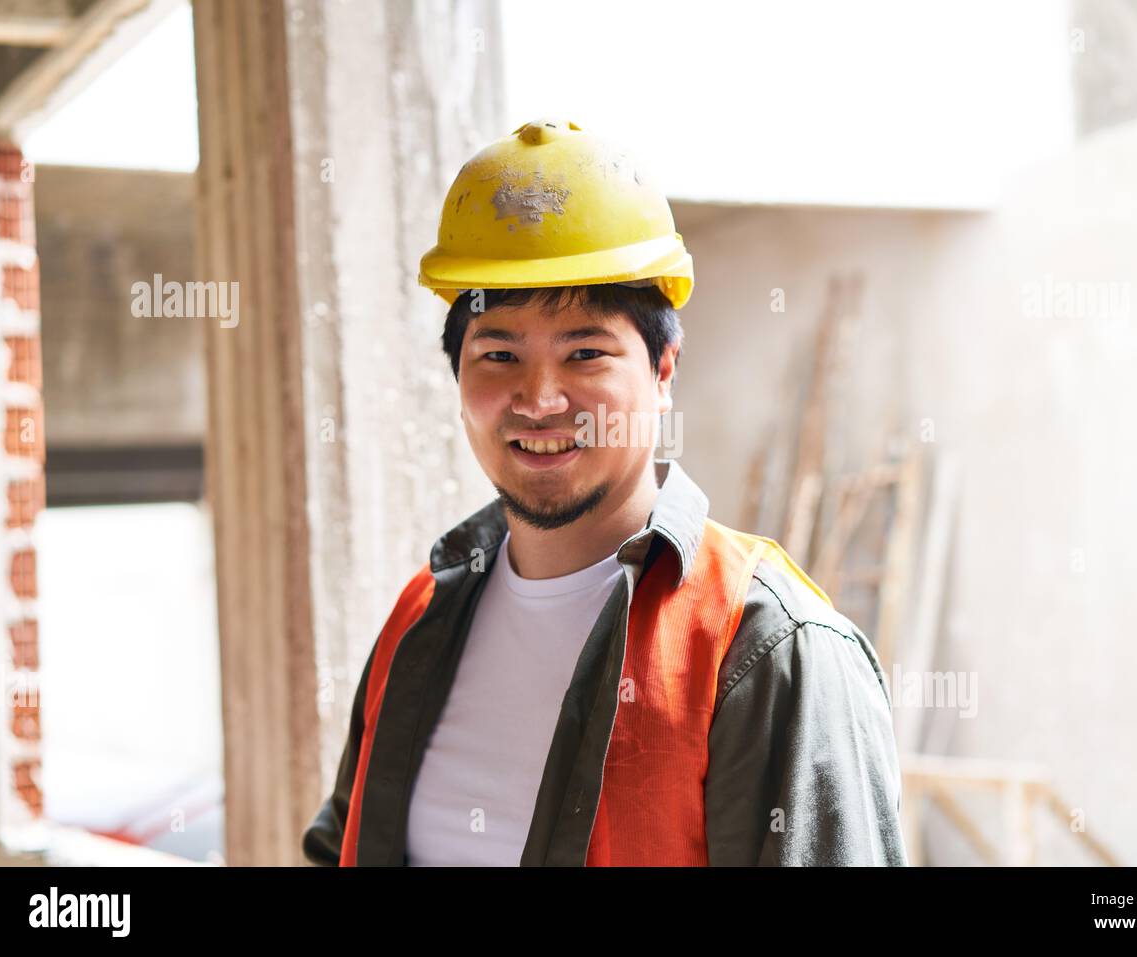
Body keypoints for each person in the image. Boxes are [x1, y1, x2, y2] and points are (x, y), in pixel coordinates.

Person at [302, 118, 907, 866]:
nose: (540, 397)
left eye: (585, 352)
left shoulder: (764, 648)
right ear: (458, 378)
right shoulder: (421, 617)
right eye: (499, 353)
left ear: (662, 369)